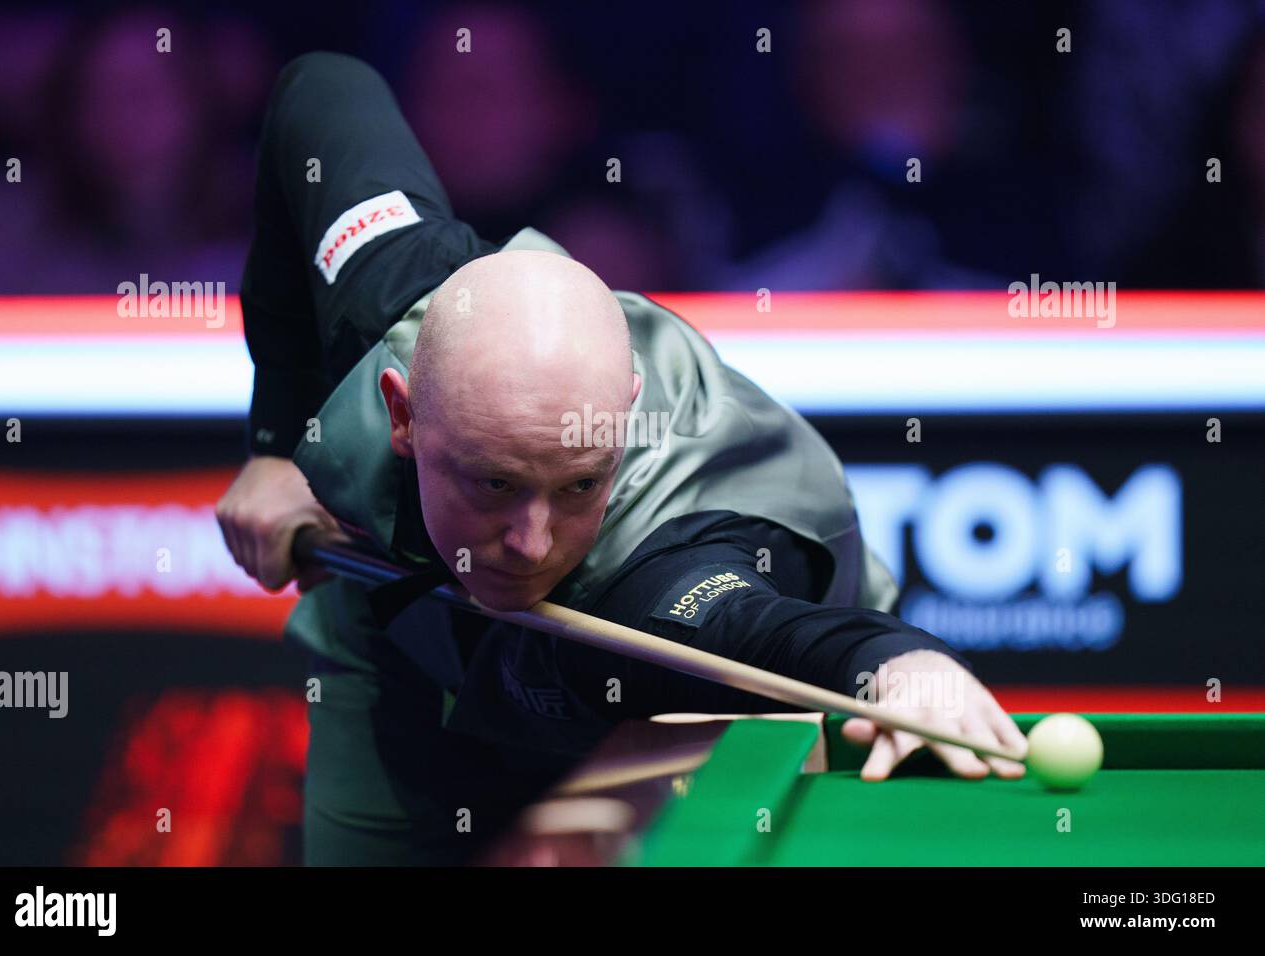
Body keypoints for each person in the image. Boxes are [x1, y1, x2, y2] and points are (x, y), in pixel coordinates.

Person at [217, 52, 1028, 866]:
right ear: (401, 413)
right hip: (409, 635)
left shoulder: (661, 584)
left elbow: (764, 630)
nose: (531, 542)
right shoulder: (389, 284)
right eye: (494, 482)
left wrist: (897, 663)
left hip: (665, 706)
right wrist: (280, 445)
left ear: (623, 420)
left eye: (576, 487)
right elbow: (320, 88)